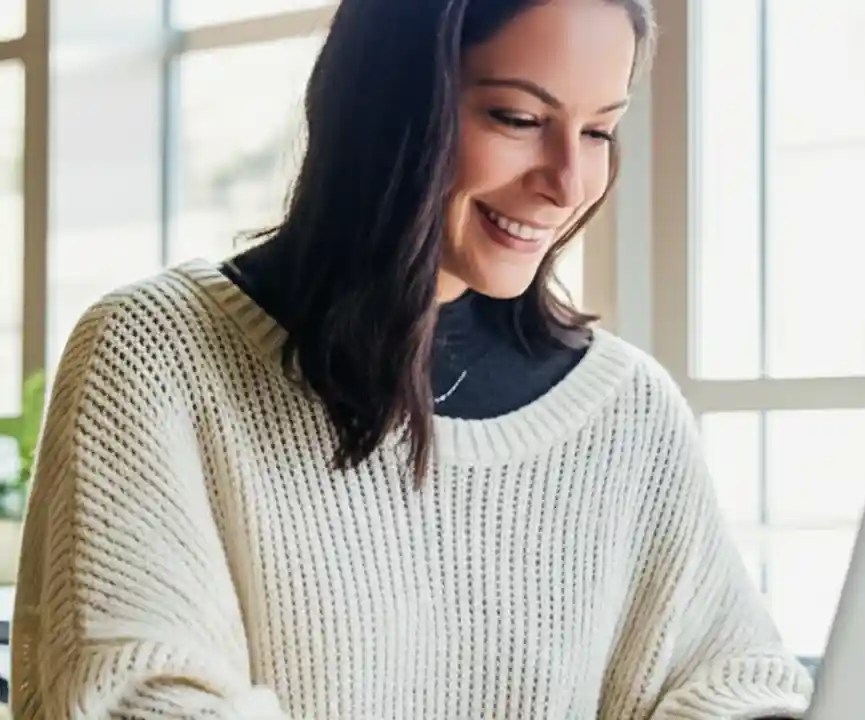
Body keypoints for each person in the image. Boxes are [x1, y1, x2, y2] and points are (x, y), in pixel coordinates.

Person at [11, 0, 813, 717]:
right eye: (518, 118)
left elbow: (731, 678)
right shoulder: (154, 352)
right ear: (390, 104)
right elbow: (138, 695)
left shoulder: (627, 408)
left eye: (600, 130)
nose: (569, 182)